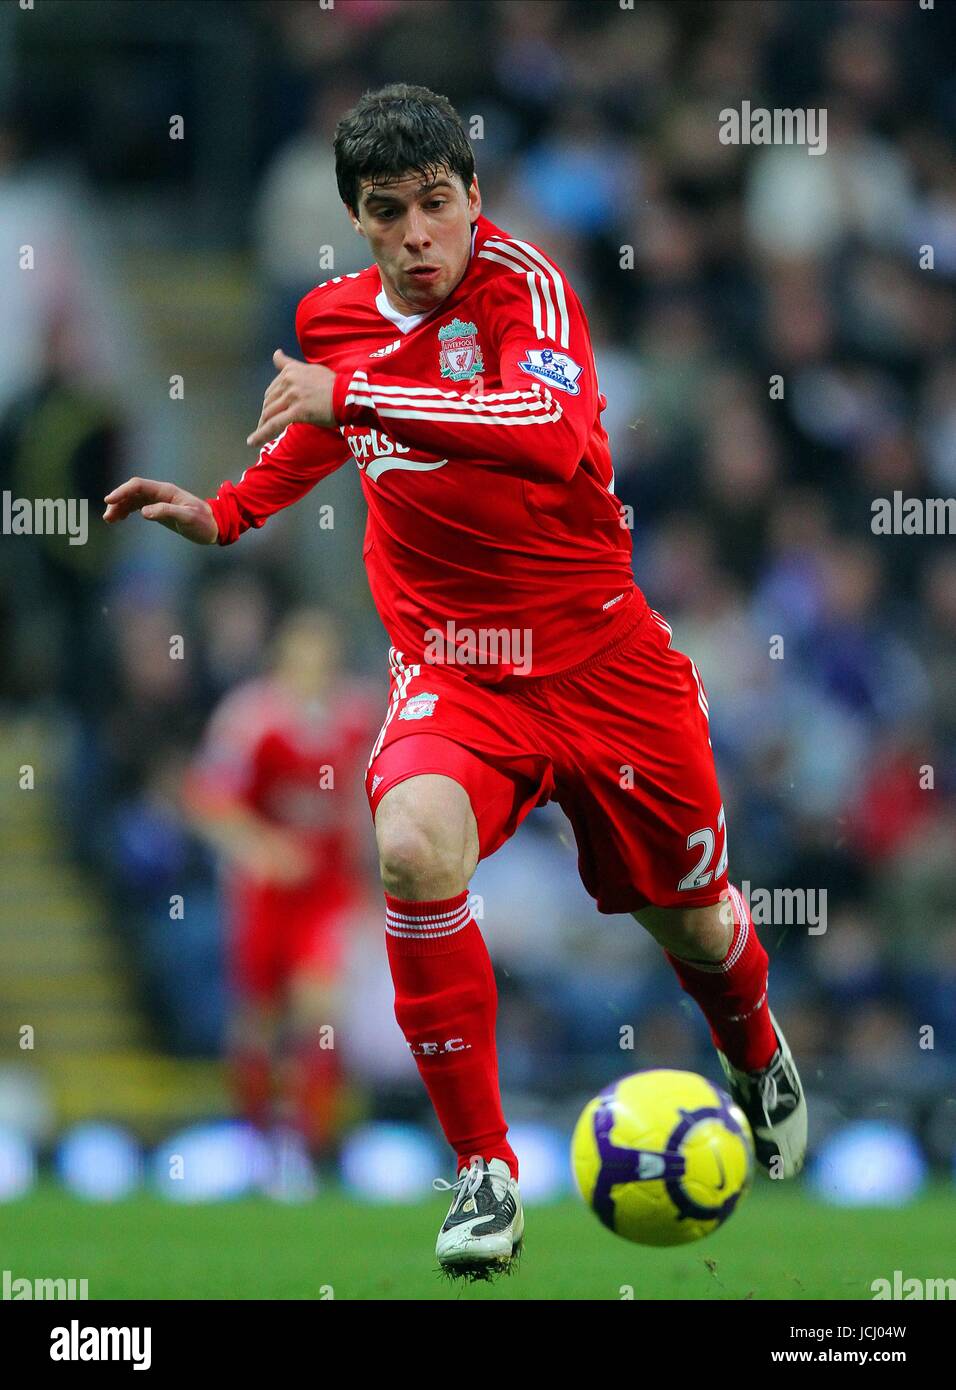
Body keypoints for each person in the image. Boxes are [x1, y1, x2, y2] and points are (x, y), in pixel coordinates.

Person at [104, 83, 806, 1279]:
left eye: (438, 203)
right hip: (455, 674)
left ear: (473, 199)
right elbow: (330, 428)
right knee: (412, 849)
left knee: (687, 916)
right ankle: (482, 1171)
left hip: (604, 661)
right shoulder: (332, 322)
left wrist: (354, 393)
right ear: (359, 221)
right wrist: (227, 511)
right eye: (391, 212)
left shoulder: (524, 287)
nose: (420, 233)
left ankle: (751, 1045)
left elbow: (537, 424)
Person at [182, 607, 375, 1172]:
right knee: (258, 1021)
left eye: (324, 659)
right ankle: (254, 1137)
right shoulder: (250, 717)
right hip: (264, 893)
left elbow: (371, 795)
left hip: (327, 891)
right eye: (303, 659)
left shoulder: (358, 715)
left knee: (320, 1009)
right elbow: (207, 797)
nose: (315, 670)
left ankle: (306, 1144)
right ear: (283, 661)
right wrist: (259, 848)